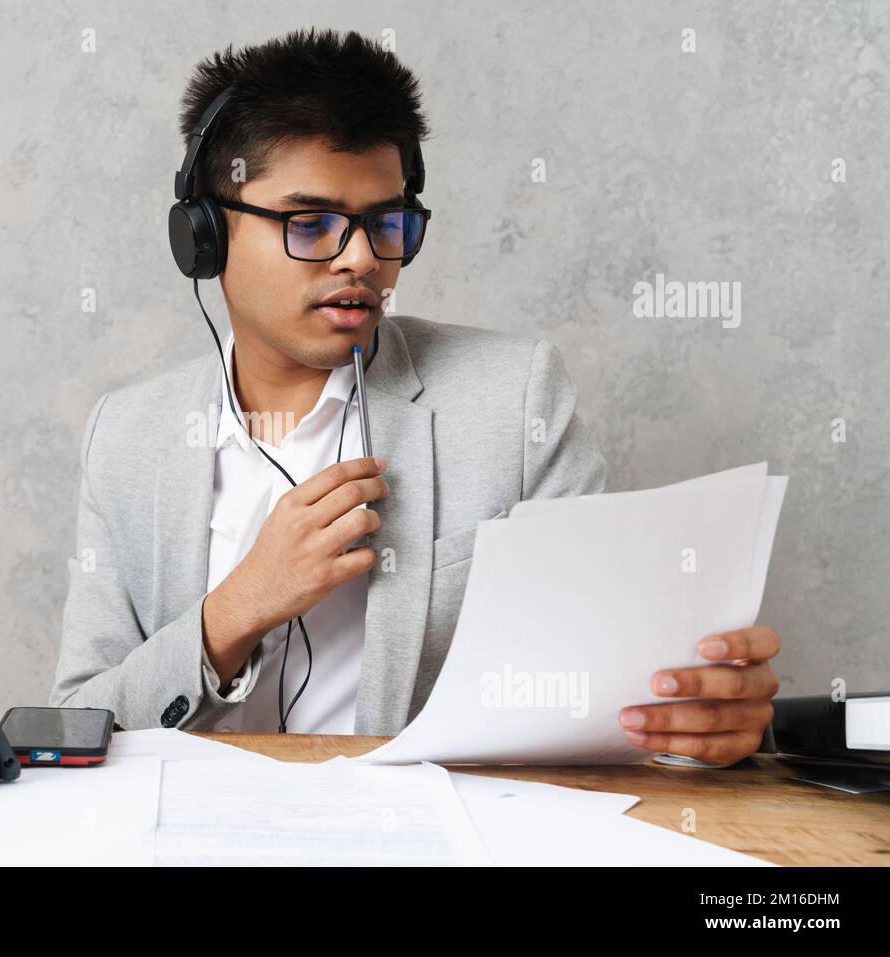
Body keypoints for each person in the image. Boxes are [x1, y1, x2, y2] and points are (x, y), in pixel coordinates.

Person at [50, 28, 779, 765]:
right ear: (205, 235)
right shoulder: (127, 434)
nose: (364, 258)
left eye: (386, 222)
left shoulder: (514, 396)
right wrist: (239, 608)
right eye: (312, 224)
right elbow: (78, 724)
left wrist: (694, 727)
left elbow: (603, 693)